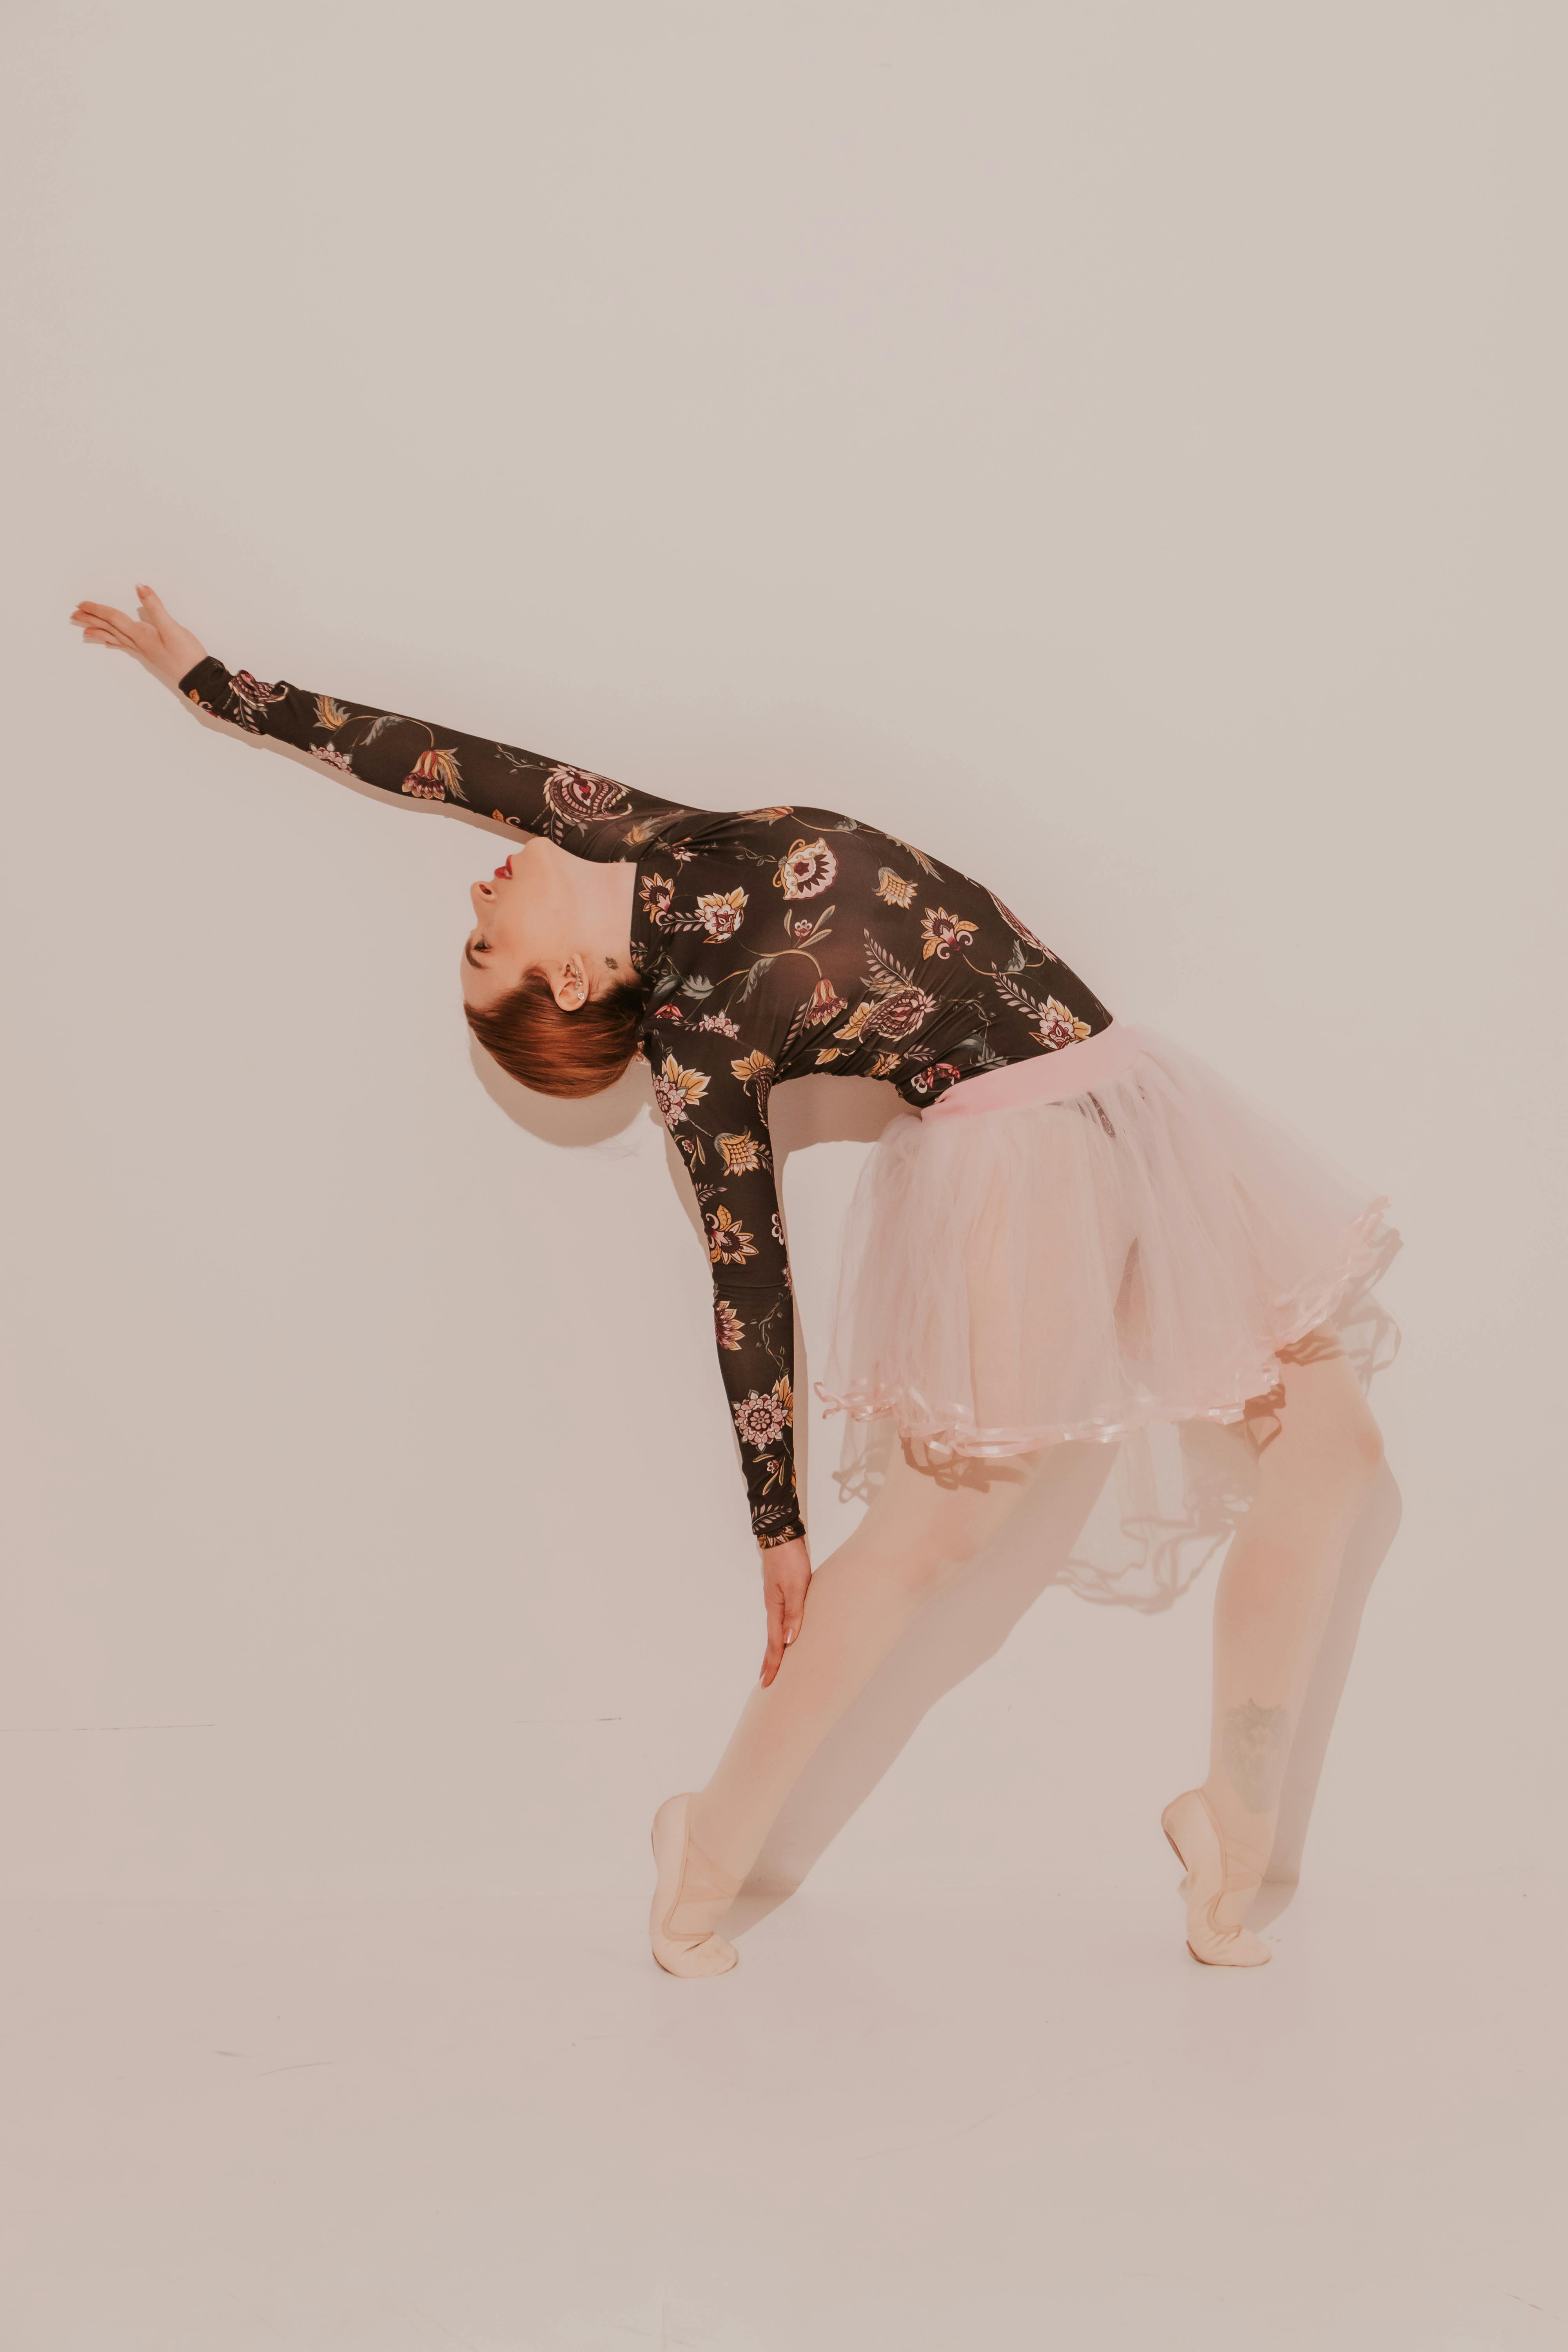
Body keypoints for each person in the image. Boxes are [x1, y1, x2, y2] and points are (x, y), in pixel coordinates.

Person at [70, 586, 1400, 1978]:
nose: (474, 896)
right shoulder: (701, 1042)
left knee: (1336, 1458)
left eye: (470, 937)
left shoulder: (646, 832)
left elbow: (429, 751)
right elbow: (744, 1277)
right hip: (1020, 1162)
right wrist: (777, 1523)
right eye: (484, 953)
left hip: (1132, 1098)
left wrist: (212, 682)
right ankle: (706, 1847)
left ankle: (1231, 1829)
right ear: (577, 983)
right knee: (931, 1547)